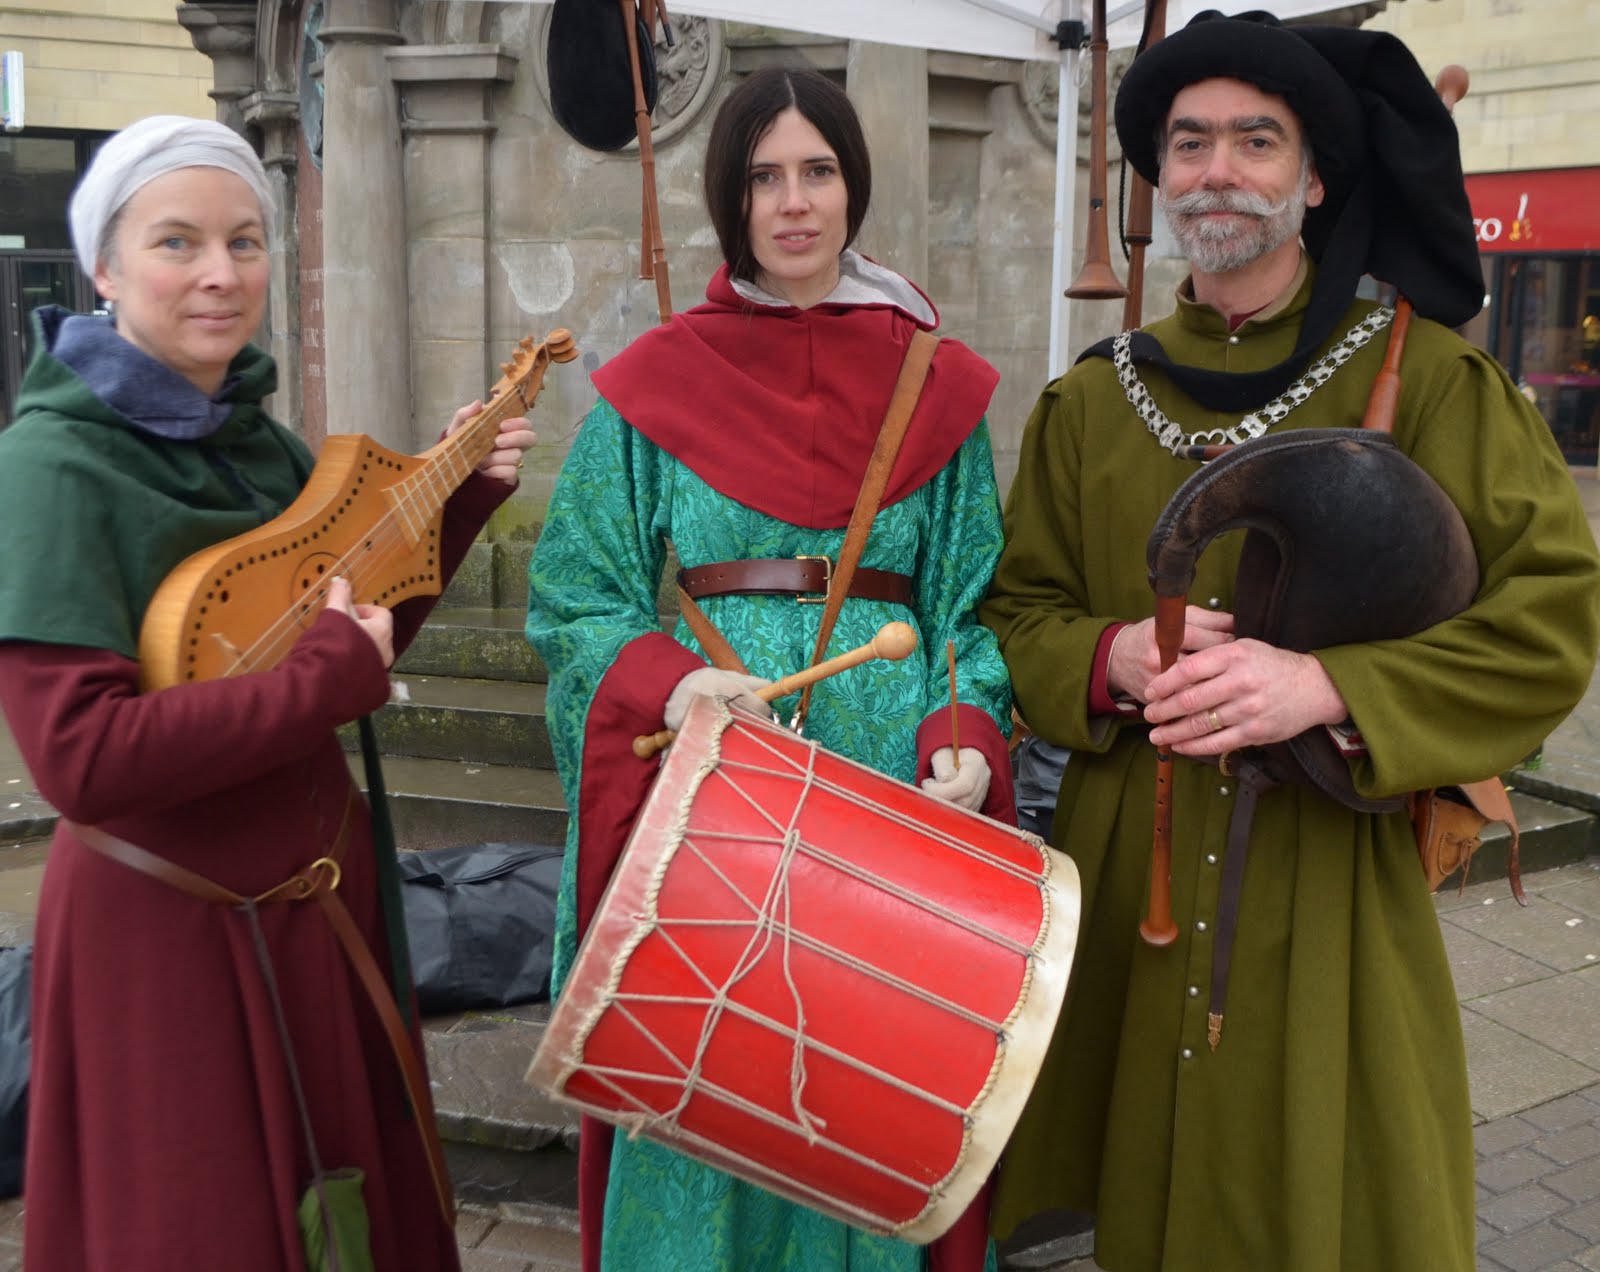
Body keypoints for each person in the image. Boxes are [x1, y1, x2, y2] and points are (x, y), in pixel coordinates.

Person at [980, 13, 1600, 1272]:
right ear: (1158, 177)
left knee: (1322, 1201)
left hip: (1326, 875)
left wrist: (1326, 683)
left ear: (1312, 179)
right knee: (1139, 1204)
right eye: (1189, 142)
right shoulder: (1092, 399)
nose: (1218, 168)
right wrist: (1110, 658)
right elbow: (1017, 613)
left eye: (1256, 141)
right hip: (1126, 874)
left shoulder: (1427, 383)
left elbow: (1550, 619)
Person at [0, 115, 537, 1270]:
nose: (220, 274)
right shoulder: (51, 468)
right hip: (171, 945)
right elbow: (77, 759)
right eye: (177, 242)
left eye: (245, 242)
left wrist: (454, 510)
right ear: (103, 264)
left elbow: (342, 639)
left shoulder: (265, 447)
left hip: (309, 916)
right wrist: (326, 678)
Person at [526, 66, 1014, 1272]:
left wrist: (961, 724)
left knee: (869, 1086)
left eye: (818, 171)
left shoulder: (934, 386)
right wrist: (668, 681)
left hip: (882, 804)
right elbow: (571, 595)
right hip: (713, 802)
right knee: (712, 1084)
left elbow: (967, 605)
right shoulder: (655, 386)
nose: (792, 203)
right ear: (729, 197)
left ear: (854, 188)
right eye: (762, 177)